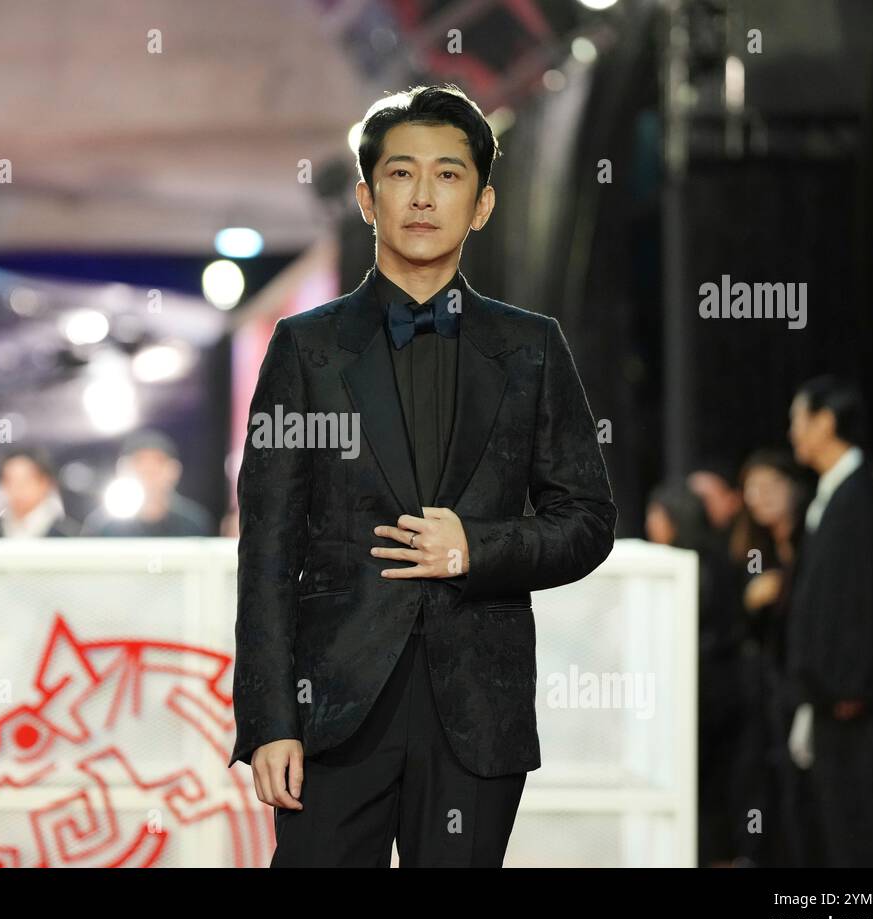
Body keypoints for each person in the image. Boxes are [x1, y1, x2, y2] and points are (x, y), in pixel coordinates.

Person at [229, 83, 617, 867]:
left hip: (477, 707)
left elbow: (587, 520)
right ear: (368, 199)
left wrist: (476, 546)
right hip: (333, 711)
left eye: (448, 175)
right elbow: (266, 547)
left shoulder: (532, 348)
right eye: (401, 174)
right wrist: (269, 719)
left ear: (482, 204)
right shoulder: (306, 349)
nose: (423, 196)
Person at [783, 375, 873, 866]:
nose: (793, 432)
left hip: (853, 705)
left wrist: (852, 687)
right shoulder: (833, 493)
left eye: (798, 419)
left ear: (826, 421)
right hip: (831, 700)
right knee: (837, 832)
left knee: (865, 834)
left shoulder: (861, 496)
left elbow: (870, 600)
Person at [646, 479, 747, 866]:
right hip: (721, 691)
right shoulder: (718, 559)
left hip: (696, 694)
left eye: (657, 514)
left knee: (696, 787)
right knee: (715, 790)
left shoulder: (679, 568)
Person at [730, 449, 810, 867]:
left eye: (769, 486)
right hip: (761, 692)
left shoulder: (812, 540)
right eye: (751, 489)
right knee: (760, 780)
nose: (759, 497)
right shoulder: (748, 547)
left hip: (803, 686)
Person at [82, 429, 215, 536]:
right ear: (122, 469)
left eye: (159, 462)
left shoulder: (195, 522)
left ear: (175, 470)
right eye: (139, 462)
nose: (149, 471)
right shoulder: (102, 525)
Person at [0, 446, 79, 538]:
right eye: (9, 481)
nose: (16, 489)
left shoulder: (66, 535)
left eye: (25, 481)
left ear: (45, 482)